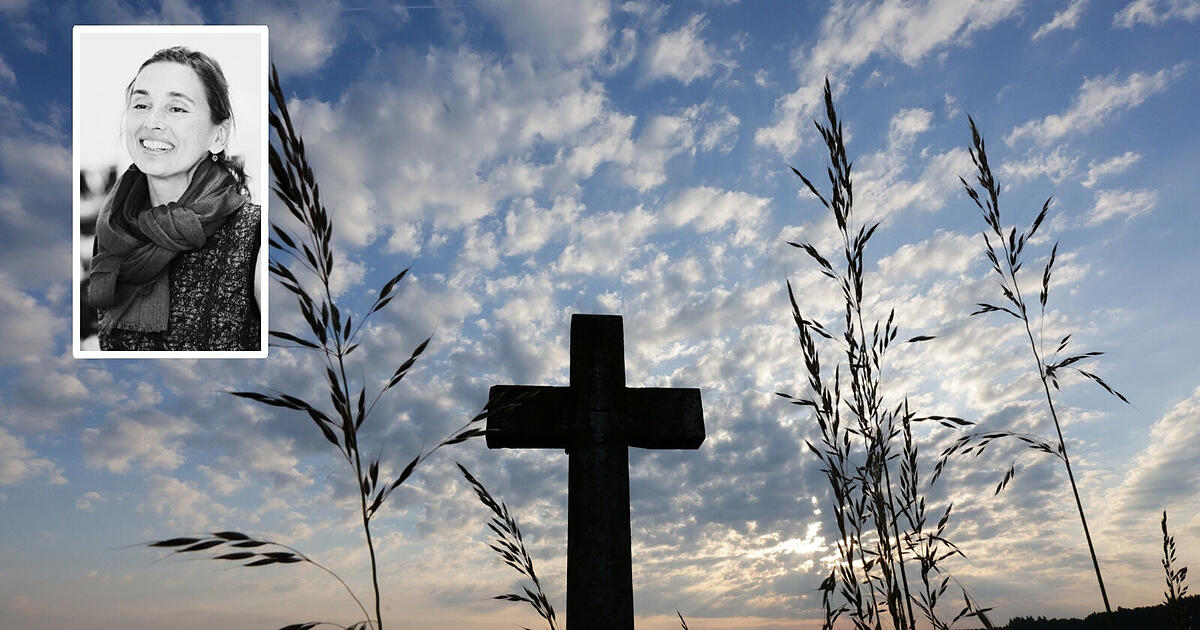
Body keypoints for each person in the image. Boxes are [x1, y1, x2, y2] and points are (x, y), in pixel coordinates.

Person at [89, 46, 260, 351]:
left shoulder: (256, 237)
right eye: (141, 105)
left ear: (218, 136)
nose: (151, 122)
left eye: (176, 108)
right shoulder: (113, 231)